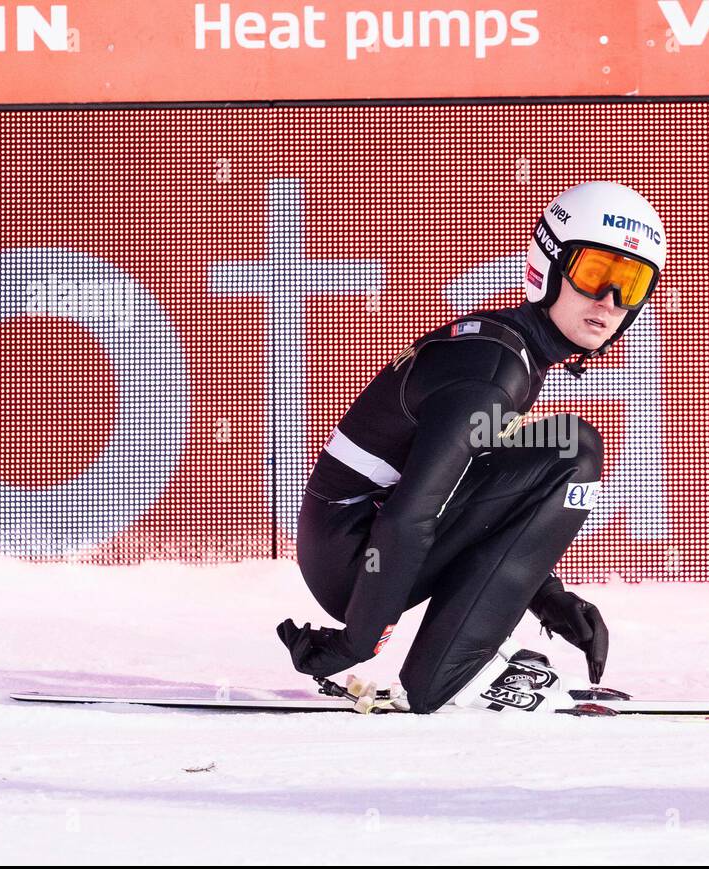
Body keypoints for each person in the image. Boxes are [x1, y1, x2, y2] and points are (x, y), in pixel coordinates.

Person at [277, 181, 667, 713]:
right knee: (573, 451)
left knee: (563, 452)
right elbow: (410, 517)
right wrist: (356, 644)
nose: (609, 300)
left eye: (631, 282)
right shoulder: (495, 369)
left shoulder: (511, 353)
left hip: (356, 545)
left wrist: (547, 595)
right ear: (547, 266)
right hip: (357, 557)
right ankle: (450, 677)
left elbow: (473, 493)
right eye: (595, 273)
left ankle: (464, 658)